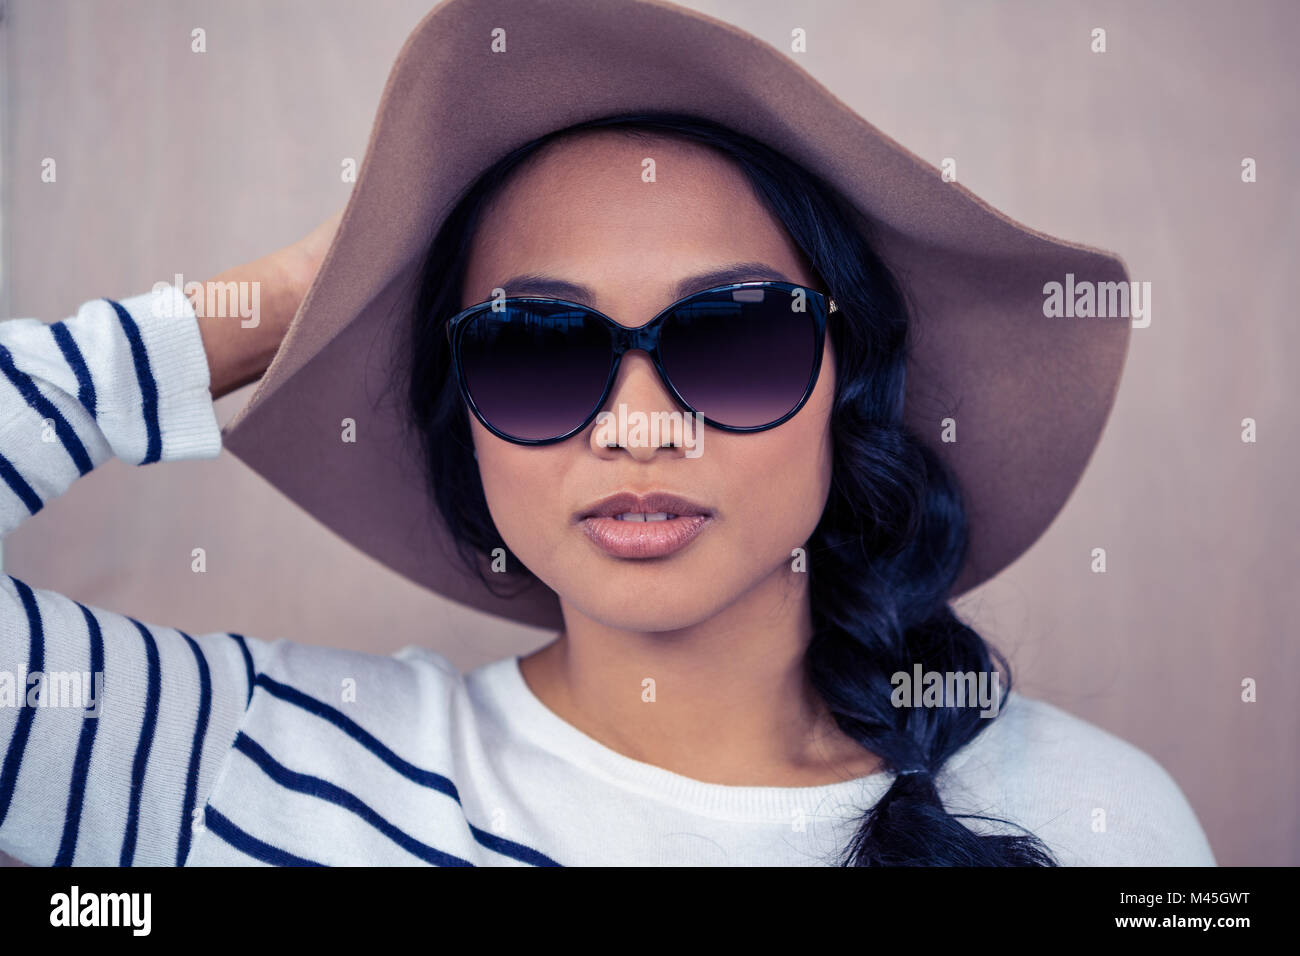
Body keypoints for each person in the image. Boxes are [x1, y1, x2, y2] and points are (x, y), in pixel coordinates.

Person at [0, 1, 1216, 867]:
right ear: (461, 413)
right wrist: (316, 279)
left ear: (850, 391)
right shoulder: (240, 758)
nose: (639, 428)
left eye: (733, 337)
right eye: (534, 349)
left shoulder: (1096, 814)